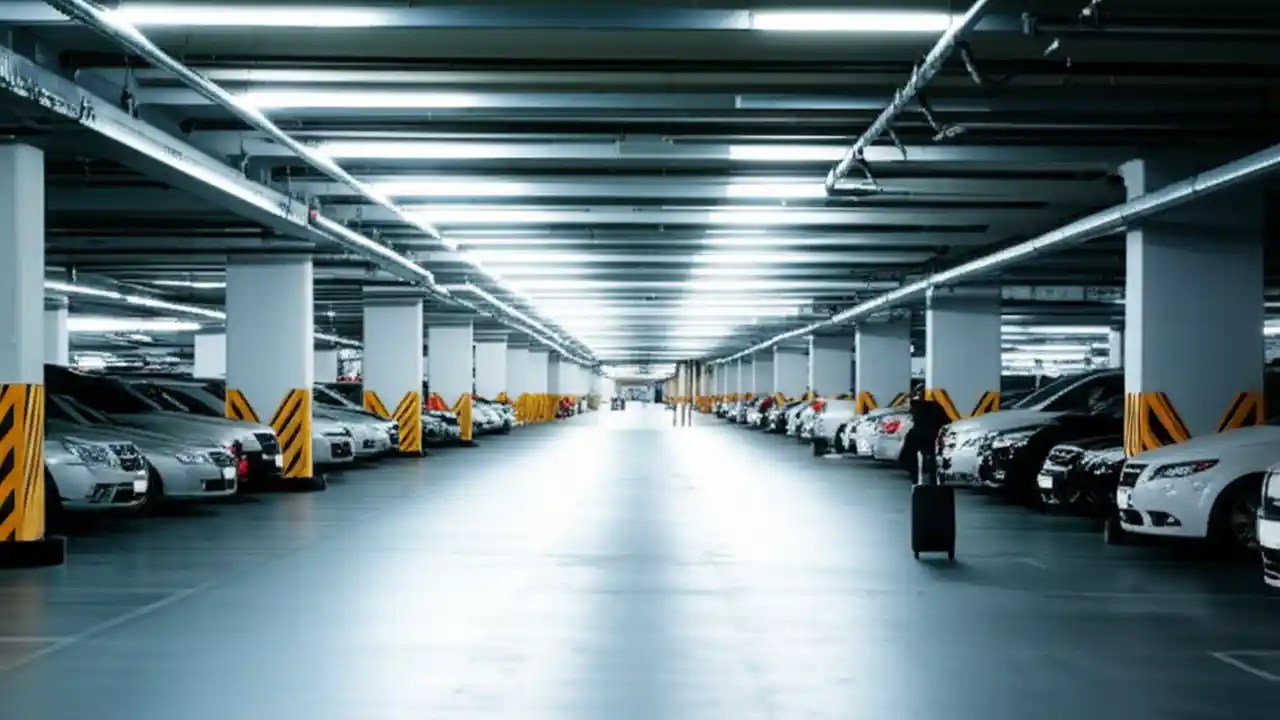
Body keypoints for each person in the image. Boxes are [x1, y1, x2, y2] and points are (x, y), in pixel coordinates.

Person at [909, 389, 952, 485]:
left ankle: (920, 480)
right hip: (933, 435)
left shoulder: (915, 407)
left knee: (921, 457)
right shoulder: (936, 407)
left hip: (920, 437)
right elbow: (946, 420)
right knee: (932, 458)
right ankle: (932, 479)